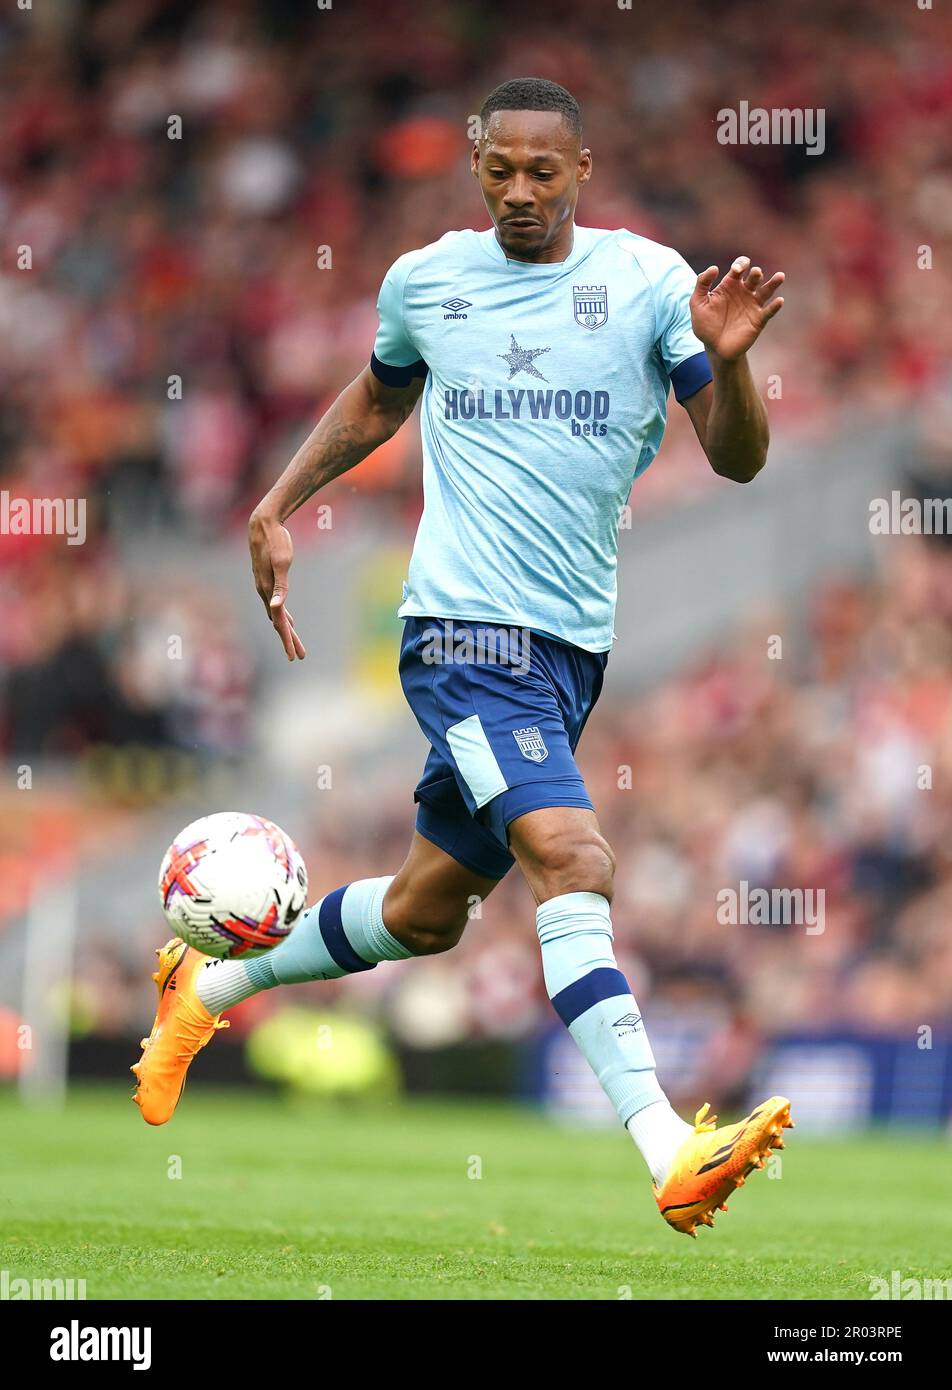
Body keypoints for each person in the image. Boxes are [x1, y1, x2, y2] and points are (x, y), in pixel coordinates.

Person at [133, 77, 792, 1236]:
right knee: (572, 855)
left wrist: (729, 363)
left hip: (568, 650)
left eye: (545, 171)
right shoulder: (426, 280)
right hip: (460, 635)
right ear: (477, 167)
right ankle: (666, 1147)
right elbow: (380, 398)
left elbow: (736, 461)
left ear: (583, 170)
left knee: (429, 912)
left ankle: (211, 984)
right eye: (500, 171)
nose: (521, 192)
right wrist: (279, 501)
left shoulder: (645, 282)